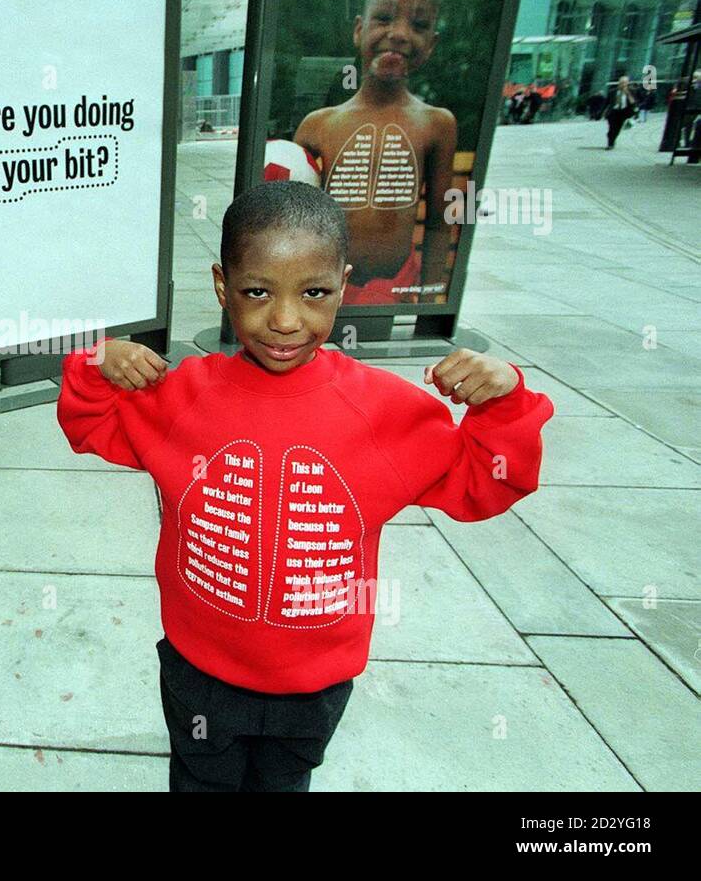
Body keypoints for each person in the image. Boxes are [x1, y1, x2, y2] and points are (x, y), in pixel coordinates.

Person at [57, 181, 554, 792]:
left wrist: (506, 402)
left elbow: (485, 484)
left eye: (314, 292)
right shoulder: (180, 395)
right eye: (257, 292)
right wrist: (97, 362)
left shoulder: (386, 411)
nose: (286, 320)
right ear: (222, 286)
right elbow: (91, 423)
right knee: (199, 782)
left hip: (314, 688)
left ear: (344, 285)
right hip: (199, 672)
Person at [293, 0, 457, 306]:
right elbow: (291, 221)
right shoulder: (318, 124)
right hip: (323, 288)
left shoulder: (437, 123)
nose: (398, 33)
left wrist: (427, 308)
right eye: (383, 18)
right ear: (358, 30)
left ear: (432, 44)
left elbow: (440, 226)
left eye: (418, 25)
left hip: (394, 288)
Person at [604, 75, 639, 149]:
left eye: (625, 82)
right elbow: (606, 102)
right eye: (621, 82)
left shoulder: (631, 91)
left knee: (617, 129)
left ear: (627, 83)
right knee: (611, 128)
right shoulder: (612, 91)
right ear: (618, 83)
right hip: (613, 112)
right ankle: (610, 143)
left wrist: (628, 94)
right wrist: (602, 112)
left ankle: (613, 140)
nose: (623, 84)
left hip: (623, 112)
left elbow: (634, 103)